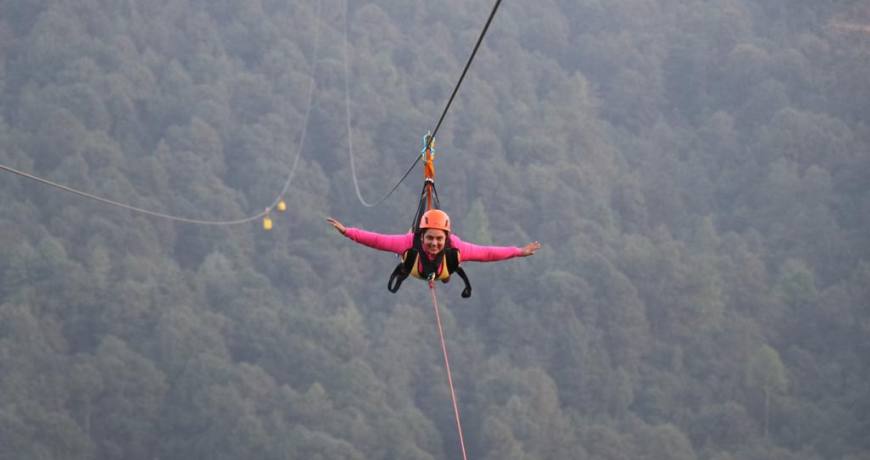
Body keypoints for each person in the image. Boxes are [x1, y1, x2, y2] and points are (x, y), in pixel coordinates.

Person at [327, 209, 541, 297]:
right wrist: (348, 232)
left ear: (446, 238)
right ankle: (438, 273)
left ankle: (445, 275)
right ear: (421, 236)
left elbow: (487, 253)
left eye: (439, 239)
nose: (434, 243)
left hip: (443, 269)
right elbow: (377, 240)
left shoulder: (455, 247)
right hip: (415, 267)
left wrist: (518, 252)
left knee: (451, 264)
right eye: (430, 238)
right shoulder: (409, 242)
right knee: (407, 252)